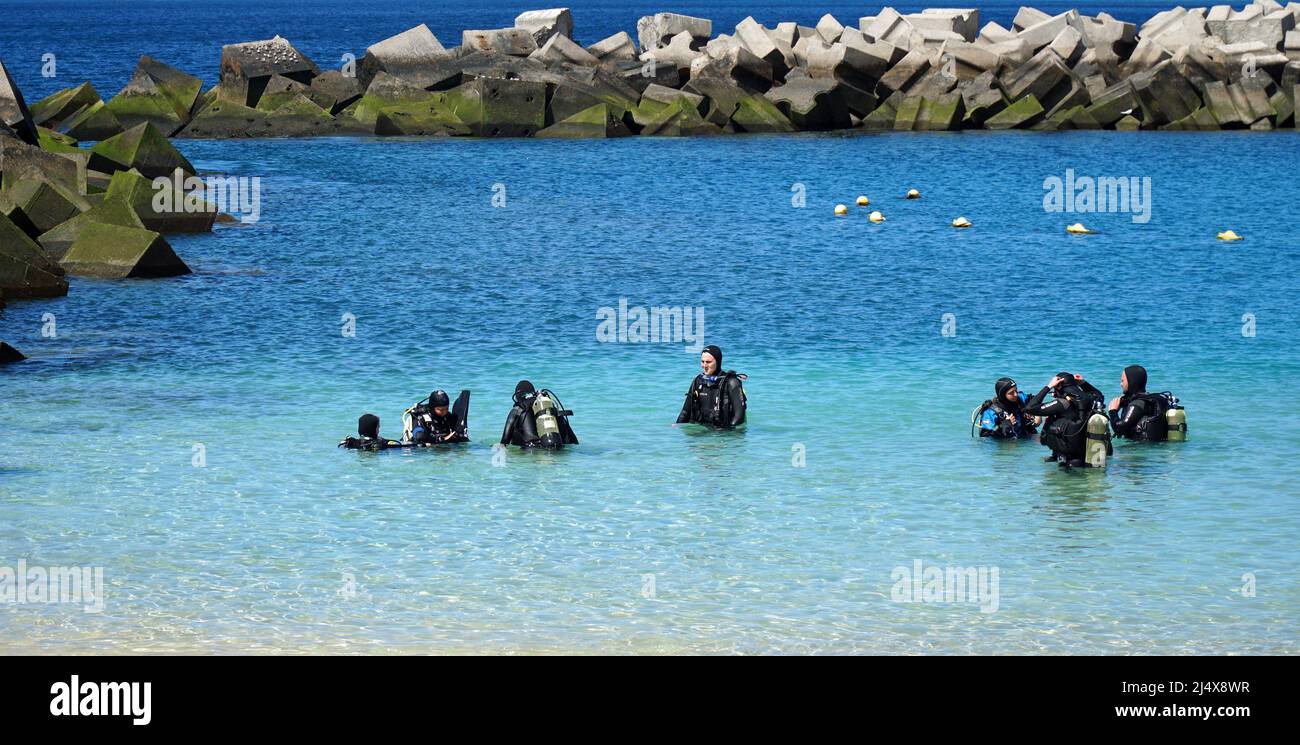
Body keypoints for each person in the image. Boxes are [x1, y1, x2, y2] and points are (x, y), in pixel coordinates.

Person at [1023, 372, 1109, 468]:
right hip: (1086, 453)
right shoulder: (1090, 398)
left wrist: (1049, 386)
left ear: (1058, 386)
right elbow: (1099, 394)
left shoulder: (1062, 403)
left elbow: (1029, 408)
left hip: (1068, 459)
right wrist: (1083, 383)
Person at [676, 345, 747, 428]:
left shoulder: (731, 383)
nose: (705, 366)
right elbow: (685, 412)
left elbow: (739, 417)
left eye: (708, 362)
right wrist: (676, 430)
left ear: (718, 362)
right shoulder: (697, 381)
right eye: (702, 362)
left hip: (723, 433)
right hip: (701, 431)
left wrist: (727, 436)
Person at [1109, 365, 1181, 441]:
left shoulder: (1137, 404)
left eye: (1122, 381)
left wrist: (1113, 411)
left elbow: (1119, 430)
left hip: (1141, 449)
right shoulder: (1151, 400)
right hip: (1156, 448)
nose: (1121, 384)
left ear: (1131, 381)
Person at [500, 380, 578, 449]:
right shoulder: (548, 408)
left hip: (530, 452)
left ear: (517, 395)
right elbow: (573, 440)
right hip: (556, 449)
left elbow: (504, 442)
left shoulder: (517, 409)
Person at [973, 377, 1039, 439]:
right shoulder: (990, 413)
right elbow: (986, 436)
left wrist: (1038, 415)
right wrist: (1005, 425)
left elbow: (1035, 400)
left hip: (1026, 437)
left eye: (1016, 390)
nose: (1016, 394)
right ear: (1002, 394)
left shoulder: (1020, 398)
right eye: (1011, 393)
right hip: (1005, 444)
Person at [403, 389, 470, 445]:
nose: (444, 412)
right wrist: (441, 439)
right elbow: (419, 436)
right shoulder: (420, 416)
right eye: (441, 410)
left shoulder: (447, 416)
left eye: (446, 408)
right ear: (432, 408)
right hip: (418, 451)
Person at [339, 413, 410, 451]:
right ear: (373, 429)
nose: (379, 429)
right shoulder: (380, 444)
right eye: (378, 427)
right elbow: (400, 446)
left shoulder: (350, 442)